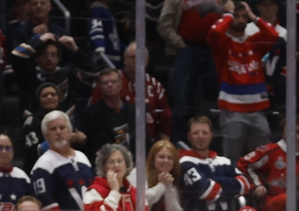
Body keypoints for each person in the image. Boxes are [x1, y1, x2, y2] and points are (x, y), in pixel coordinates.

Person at [208, 1, 280, 165]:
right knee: (231, 159)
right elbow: (214, 32)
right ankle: (233, 188)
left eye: (243, 16)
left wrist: (254, 17)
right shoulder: (223, 45)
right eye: (236, 16)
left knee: (263, 159)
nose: (240, 19)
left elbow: (273, 35)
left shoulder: (254, 42)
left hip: (258, 109)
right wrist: (228, 14)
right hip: (232, 110)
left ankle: (260, 187)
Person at [179, 115, 252, 211]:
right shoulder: (185, 162)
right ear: (189, 136)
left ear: (211, 136)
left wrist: (212, 180)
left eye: (205, 133)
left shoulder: (224, 161)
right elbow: (206, 190)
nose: (201, 136)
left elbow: (245, 184)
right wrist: (230, 185)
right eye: (196, 133)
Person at [158, 0, 222, 144]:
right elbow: (164, 23)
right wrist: (179, 43)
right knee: (182, 99)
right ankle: (180, 145)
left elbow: (231, 13)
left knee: (215, 100)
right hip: (187, 48)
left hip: (214, 49)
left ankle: (211, 144)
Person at [30, 110, 95, 211]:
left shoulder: (82, 157)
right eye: (53, 129)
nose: (58, 132)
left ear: (70, 130)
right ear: (46, 136)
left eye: (62, 127)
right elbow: (46, 204)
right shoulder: (43, 165)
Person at [89, 43, 172, 143]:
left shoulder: (155, 85)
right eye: (132, 57)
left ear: (147, 61)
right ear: (125, 60)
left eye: (140, 57)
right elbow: (93, 113)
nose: (136, 61)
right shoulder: (109, 83)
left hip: (148, 144)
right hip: (113, 144)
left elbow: (164, 123)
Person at [130, 140, 184, 211]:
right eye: (161, 157)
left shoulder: (169, 180)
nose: (166, 161)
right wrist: (162, 186)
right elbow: (141, 201)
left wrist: (168, 187)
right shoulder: (138, 173)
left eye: (170, 158)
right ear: (153, 158)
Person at [78, 68, 136, 156]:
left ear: (121, 84)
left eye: (113, 82)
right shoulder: (89, 114)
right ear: (99, 86)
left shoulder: (135, 111)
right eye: (105, 83)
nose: (110, 85)